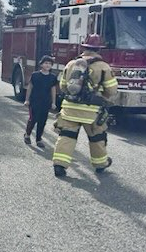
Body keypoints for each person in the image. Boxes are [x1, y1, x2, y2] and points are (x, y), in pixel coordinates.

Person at [52, 34, 119, 177]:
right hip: (92, 111)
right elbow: (112, 90)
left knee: (67, 136)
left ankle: (59, 164)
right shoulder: (103, 67)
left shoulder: (71, 64)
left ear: (83, 47)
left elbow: (63, 86)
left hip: (70, 108)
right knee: (97, 138)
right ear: (99, 49)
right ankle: (101, 164)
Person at [23, 55, 57, 148]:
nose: (48, 65)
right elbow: (30, 87)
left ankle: (38, 139)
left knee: (42, 121)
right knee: (33, 119)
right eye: (46, 63)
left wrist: (53, 102)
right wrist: (27, 100)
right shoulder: (35, 75)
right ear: (41, 64)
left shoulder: (53, 77)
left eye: (50, 64)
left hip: (45, 102)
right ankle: (27, 135)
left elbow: (53, 90)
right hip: (34, 101)